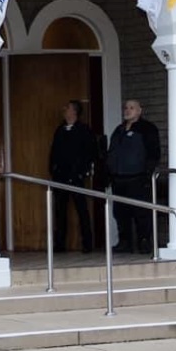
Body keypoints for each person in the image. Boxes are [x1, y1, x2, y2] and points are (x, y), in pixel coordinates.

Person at [107, 99, 161, 256]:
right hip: (119, 179)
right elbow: (112, 152)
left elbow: (154, 153)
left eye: (131, 108)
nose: (127, 110)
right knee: (120, 212)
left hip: (138, 178)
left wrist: (147, 174)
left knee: (141, 212)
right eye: (126, 107)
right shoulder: (119, 129)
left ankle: (144, 242)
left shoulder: (147, 129)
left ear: (139, 111)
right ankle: (124, 242)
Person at [48, 100, 99, 254]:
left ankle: (87, 243)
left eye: (68, 108)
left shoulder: (84, 130)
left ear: (75, 111)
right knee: (60, 211)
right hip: (61, 176)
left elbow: (90, 152)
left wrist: (81, 171)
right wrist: (53, 169)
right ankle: (60, 244)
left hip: (76, 176)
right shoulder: (60, 130)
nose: (64, 110)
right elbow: (54, 152)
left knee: (82, 209)